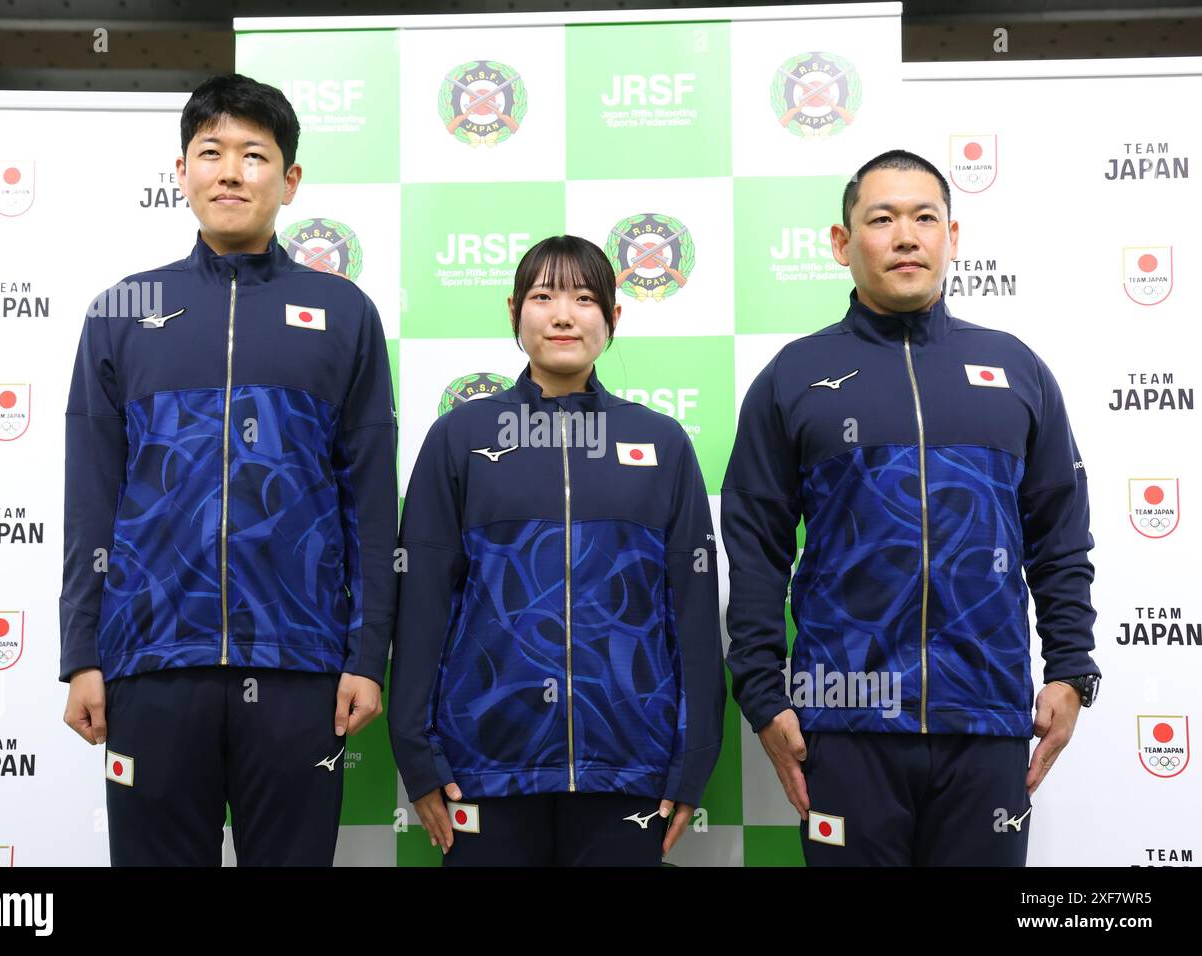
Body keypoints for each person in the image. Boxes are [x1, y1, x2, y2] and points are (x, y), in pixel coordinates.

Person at [722, 150, 1101, 866]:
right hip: (844, 723)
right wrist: (763, 694)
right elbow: (755, 547)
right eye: (882, 218)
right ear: (842, 243)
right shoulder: (794, 378)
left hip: (986, 722)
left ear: (952, 239)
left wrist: (1071, 668)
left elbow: (1059, 535)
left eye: (926, 217)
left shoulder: (1016, 370)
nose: (906, 236)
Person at [58, 74, 398, 866]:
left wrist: (364, 654)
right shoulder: (120, 311)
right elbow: (90, 495)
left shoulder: (344, 313)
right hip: (150, 661)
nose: (231, 172)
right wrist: (81, 652)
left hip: (299, 665)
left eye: (254, 154)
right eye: (211, 153)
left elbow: (371, 500)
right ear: (181, 172)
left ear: (290, 179)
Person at [388, 235, 725, 866]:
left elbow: (694, 613)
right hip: (483, 765)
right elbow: (423, 603)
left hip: (628, 765)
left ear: (614, 317)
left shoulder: (662, 444)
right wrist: (417, 751)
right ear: (513, 311)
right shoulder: (459, 437)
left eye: (585, 297)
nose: (564, 314)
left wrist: (694, 754)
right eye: (543, 297)